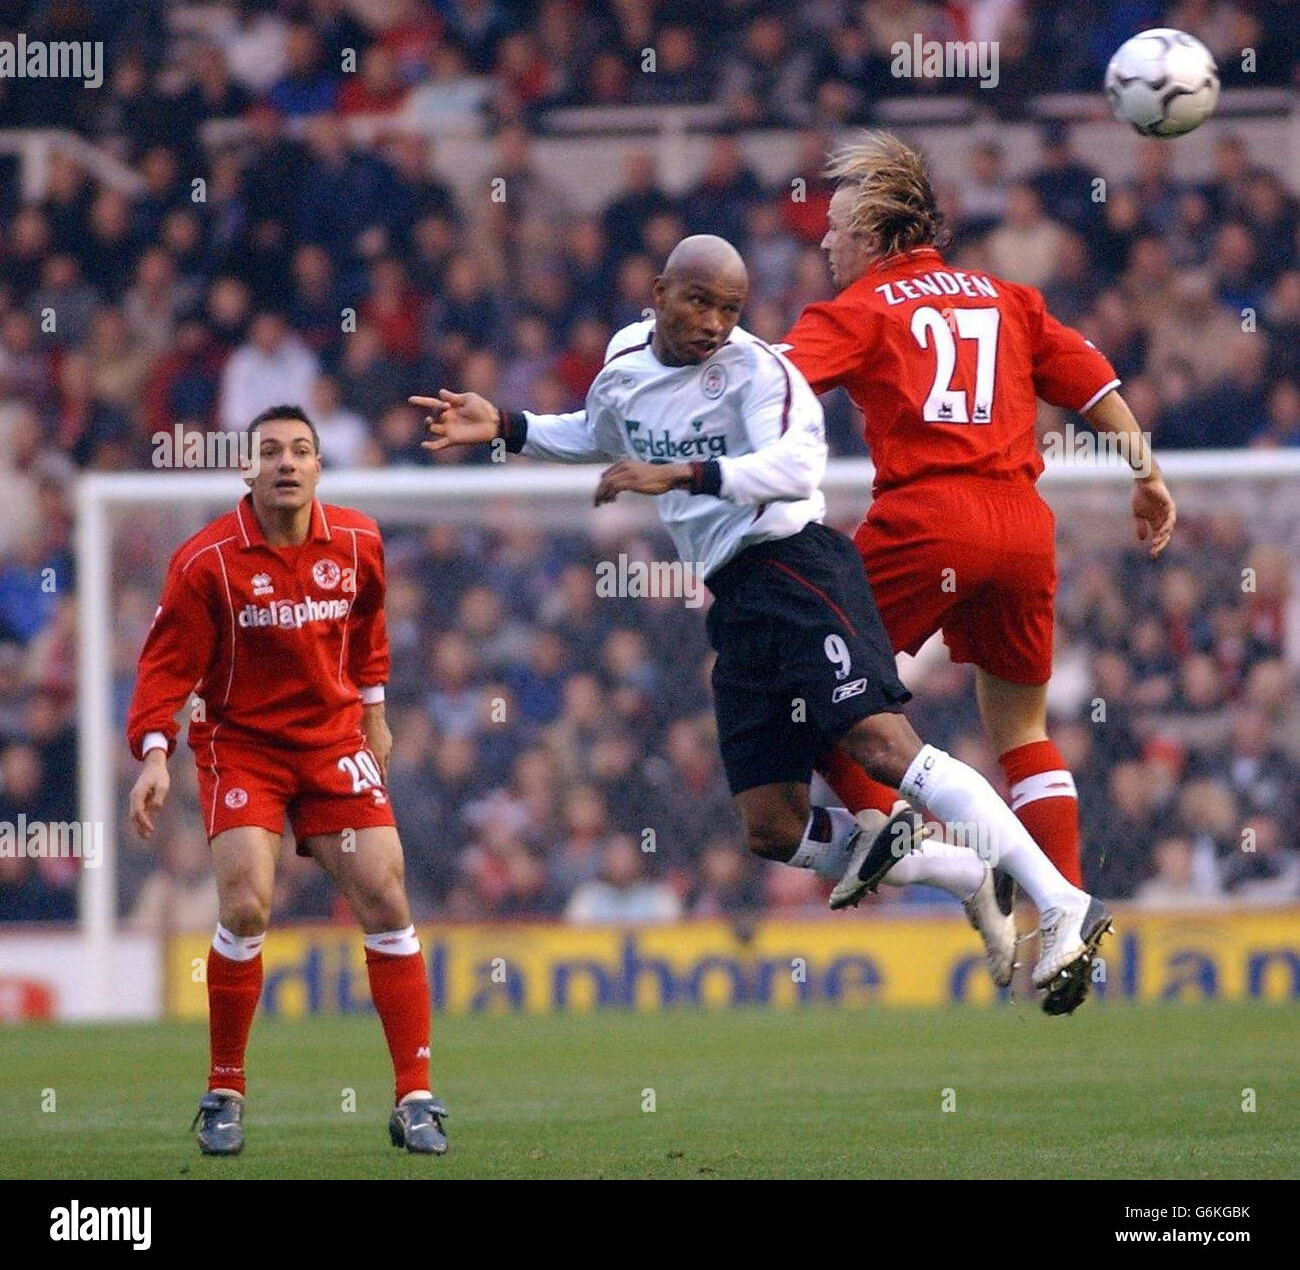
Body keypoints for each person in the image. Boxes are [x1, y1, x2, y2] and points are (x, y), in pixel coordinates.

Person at [415, 234, 1113, 1014]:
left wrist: (688, 473)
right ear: (657, 292)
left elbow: (793, 469)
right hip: (736, 596)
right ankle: (961, 872)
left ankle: (1060, 901)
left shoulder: (759, 371)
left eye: (730, 308)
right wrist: (509, 427)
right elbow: (597, 432)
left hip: (799, 568)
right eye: (699, 302)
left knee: (882, 745)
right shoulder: (623, 367)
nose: (716, 322)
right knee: (771, 824)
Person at [781, 133, 1176, 959]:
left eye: (839, 229)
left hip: (926, 519)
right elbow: (1091, 378)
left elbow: (776, 382)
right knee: (1022, 728)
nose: (824, 242)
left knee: (808, 676)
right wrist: (1145, 471)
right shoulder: (1007, 297)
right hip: (1024, 526)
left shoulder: (863, 308)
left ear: (883, 238)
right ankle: (1061, 917)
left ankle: (882, 826)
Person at [126, 405, 448, 1157]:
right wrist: (151, 754)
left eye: (301, 450)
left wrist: (375, 711)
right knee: (244, 903)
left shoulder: (361, 539)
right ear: (249, 468)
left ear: (317, 467)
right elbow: (166, 663)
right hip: (242, 744)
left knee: (387, 895)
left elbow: (368, 628)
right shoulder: (207, 561)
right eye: (270, 450)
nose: (286, 462)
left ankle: (417, 1097)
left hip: (333, 741)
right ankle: (224, 1092)